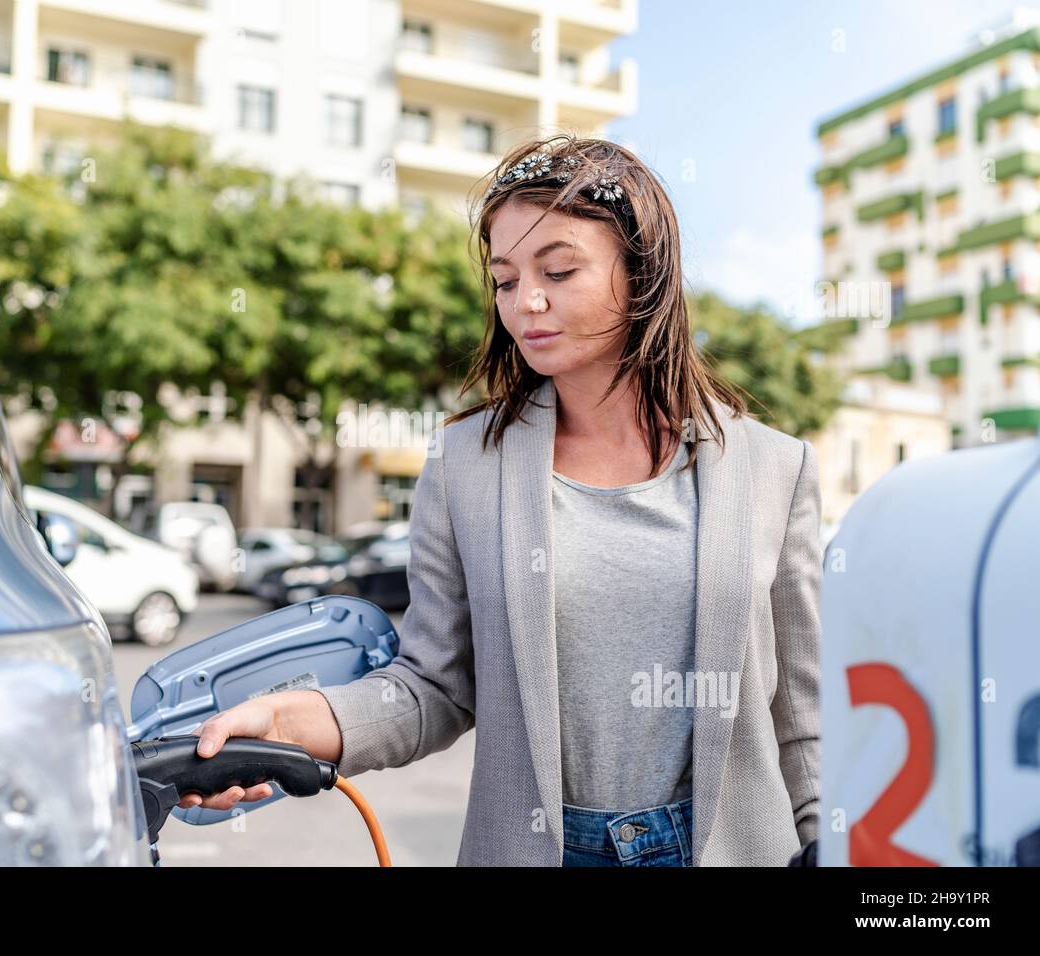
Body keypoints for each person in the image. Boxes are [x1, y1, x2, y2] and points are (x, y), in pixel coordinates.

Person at [181, 133, 822, 867]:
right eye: (506, 279)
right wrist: (291, 727)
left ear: (643, 273)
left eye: (559, 269)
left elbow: (805, 719)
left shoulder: (777, 467)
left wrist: (832, 843)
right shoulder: (464, 466)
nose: (527, 302)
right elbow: (432, 686)